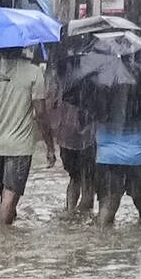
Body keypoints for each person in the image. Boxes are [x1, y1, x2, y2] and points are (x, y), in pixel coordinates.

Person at [0, 47, 54, 226]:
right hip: (18, 148)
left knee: (5, 196)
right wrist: (50, 147)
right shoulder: (33, 72)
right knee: (10, 197)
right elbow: (41, 114)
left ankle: (10, 235)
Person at [45, 59, 97, 214]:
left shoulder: (61, 77)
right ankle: (79, 220)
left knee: (74, 178)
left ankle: (69, 213)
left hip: (66, 138)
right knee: (88, 182)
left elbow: (51, 106)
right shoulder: (92, 78)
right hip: (87, 138)